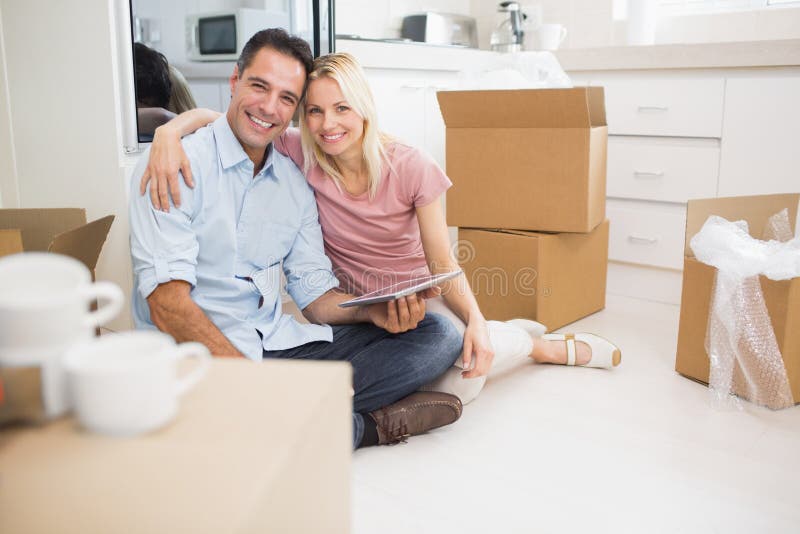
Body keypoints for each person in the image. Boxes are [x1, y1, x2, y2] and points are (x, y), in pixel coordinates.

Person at [141, 49, 622, 406]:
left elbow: (442, 262)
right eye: (314, 110)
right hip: (358, 308)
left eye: (342, 108)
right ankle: (367, 406)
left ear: (364, 107)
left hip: (416, 305)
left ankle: (534, 344)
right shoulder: (302, 153)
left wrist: (474, 318)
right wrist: (170, 130)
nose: (329, 124)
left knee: (458, 362)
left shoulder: (411, 166)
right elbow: (242, 120)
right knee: (455, 383)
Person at [128, 29, 466, 450]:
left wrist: (371, 313)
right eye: (259, 86)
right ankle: (363, 428)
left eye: (287, 98)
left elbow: (315, 298)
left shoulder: (293, 181)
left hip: (272, 346)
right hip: (194, 358)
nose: (270, 107)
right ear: (234, 82)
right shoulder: (173, 164)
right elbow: (168, 306)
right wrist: (254, 385)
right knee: (206, 424)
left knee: (437, 334)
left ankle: (284, 416)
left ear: (295, 112)